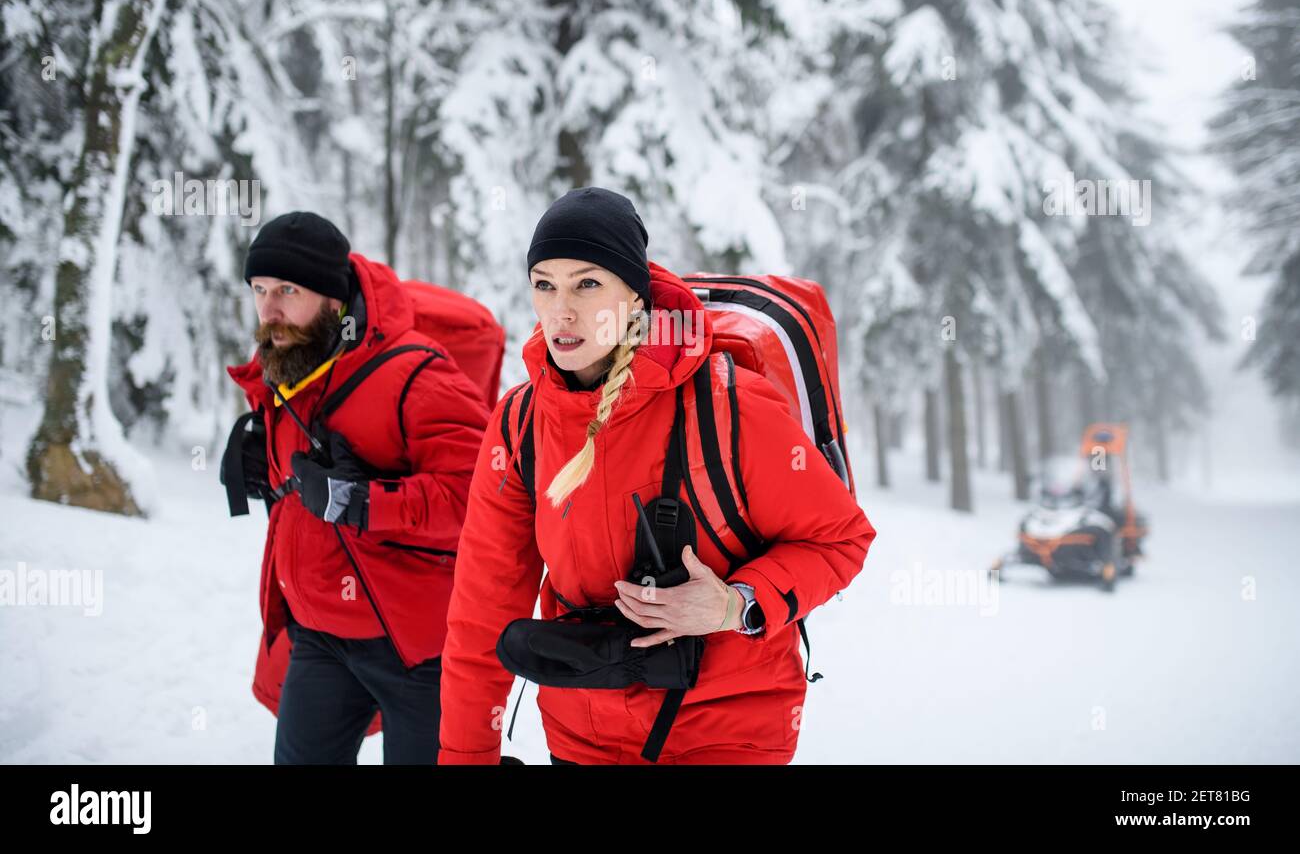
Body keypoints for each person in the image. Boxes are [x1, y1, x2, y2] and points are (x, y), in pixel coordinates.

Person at [437, 187, 877, 764]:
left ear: (634, 296)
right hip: (582, 734)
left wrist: (734, 603)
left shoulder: (727, 404)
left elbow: (841, 539)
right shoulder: (520, 422)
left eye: (587, 283)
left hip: (724, 729)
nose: (561, 311)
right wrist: (464, 755)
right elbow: (482, 607)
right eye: (545, 284)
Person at [224, 211, 489, 763]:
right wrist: (265, 467)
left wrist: (365, 502)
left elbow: (477, 499)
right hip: (318, 636)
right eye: (259, 290)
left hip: (417, 648)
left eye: (288, 291)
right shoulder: (289, 366)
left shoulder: (418, 374)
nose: (269, 310)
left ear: (334, 300)